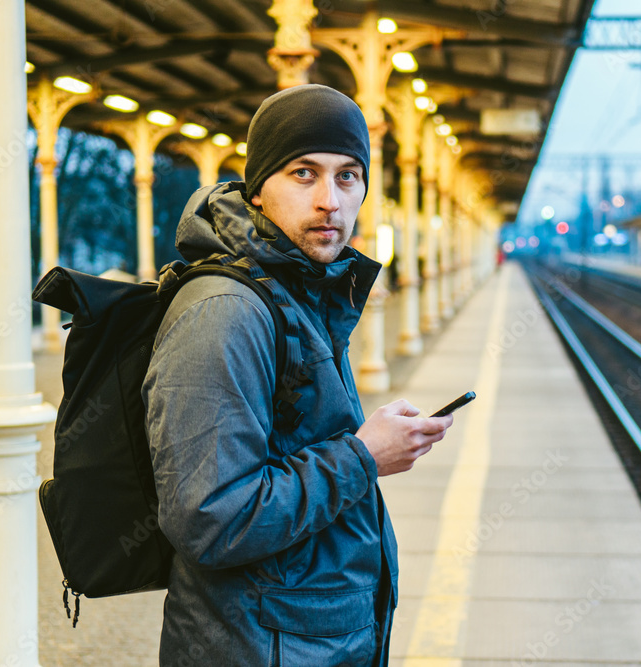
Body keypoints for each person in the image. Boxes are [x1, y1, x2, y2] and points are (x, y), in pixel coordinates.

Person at [142, 84, 454, 666]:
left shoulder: (300, 291)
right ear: (258, 190)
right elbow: (211, 519)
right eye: (303, 173)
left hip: (303, 638)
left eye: (347, 176)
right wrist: (365, 456)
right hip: (258, 645)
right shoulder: (225, 312)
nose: (330, 201)